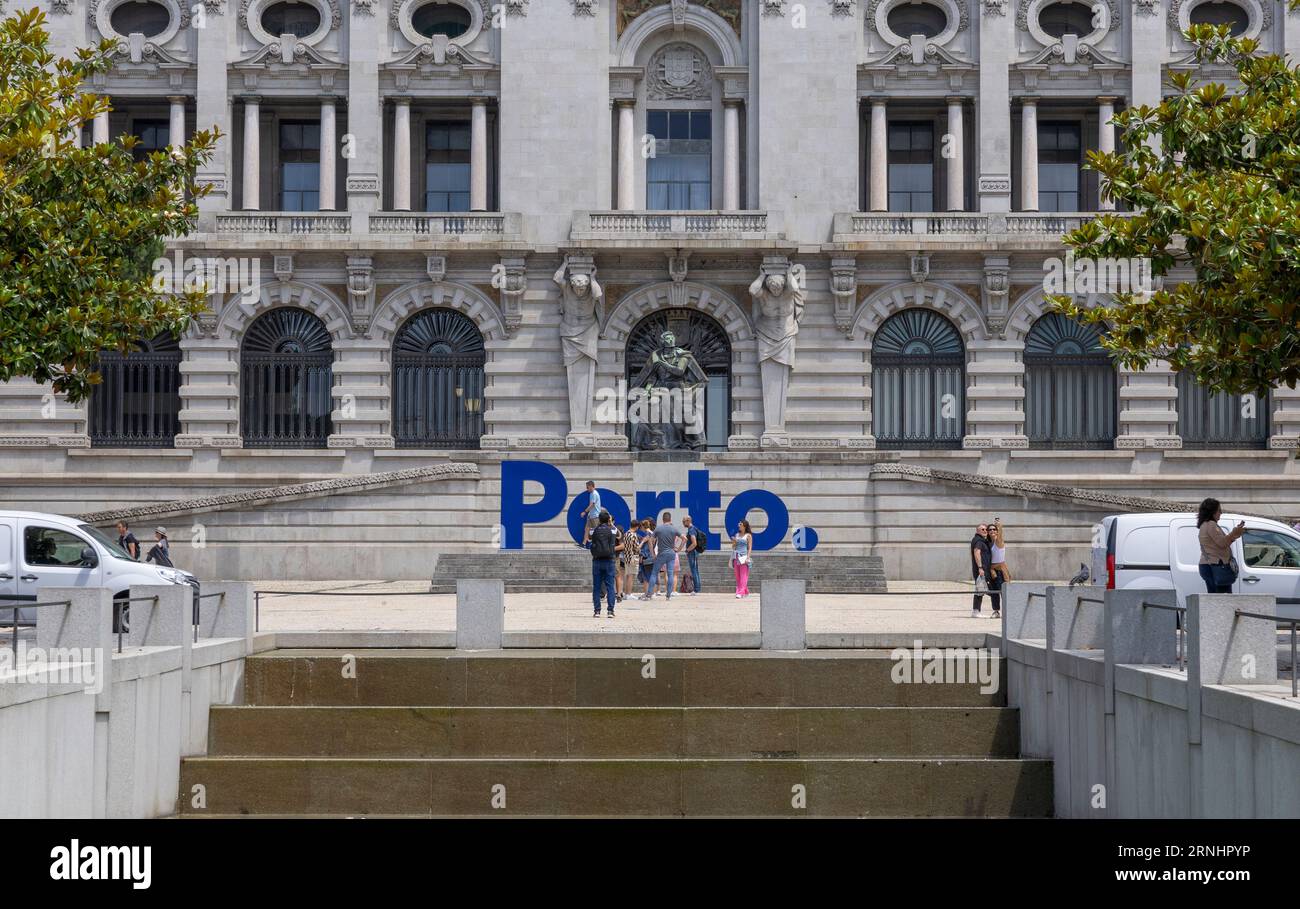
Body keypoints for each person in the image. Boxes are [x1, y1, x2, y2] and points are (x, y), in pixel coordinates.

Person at [1197, 497, 1245, 593]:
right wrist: (1234, 533)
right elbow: (1222, 543)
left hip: (1208, 565)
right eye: (1219, 510)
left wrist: (1234, 534)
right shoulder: (1211, 524)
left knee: (1214, 598)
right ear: (1212, 512)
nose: (1221, 513)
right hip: (1216, 566)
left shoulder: (1204, 525)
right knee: (1223, 599)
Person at [644, 511, 683, 600]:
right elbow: (684, 538)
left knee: (654, 573)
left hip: (661, 554)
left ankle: (649, 594)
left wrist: (652, 553)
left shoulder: (658, 529)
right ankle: (668, 595)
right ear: (670, 519)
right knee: (670, 574)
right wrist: (679, 549)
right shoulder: (674, 529)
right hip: (671, 554)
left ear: (662, 519)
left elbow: (650, 541)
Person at [588, 511, 621, 618]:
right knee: (610, 587)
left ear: (599, 519)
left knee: (596, 587)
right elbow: (619, 535)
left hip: (597, 561)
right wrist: (611, 524)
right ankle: (610, 611)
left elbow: (589, 537)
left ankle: (597, 611)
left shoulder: (594, 530)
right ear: (608, 520)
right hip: (609, 560)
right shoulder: (612, 530)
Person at [970, 522, 1001, 618]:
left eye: (985, 529)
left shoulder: (983, 541)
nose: (985, 531)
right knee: (984, 589)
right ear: (977, 531)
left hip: (985, 569)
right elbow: (977, 553)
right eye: (982, 529)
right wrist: (980, 567)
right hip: (982, 570)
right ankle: (977, 611)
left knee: (980, 589)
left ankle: (977, 610)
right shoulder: (979, 541)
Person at [730, 519, 753, 598]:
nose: (739, 526)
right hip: (736, 556)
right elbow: (733, 547)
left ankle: (740, 592)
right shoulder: (737, 535)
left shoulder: (748, 536)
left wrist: (748, 558)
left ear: (744, 526)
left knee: (743, 575)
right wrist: (734, 542)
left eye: (740, 524)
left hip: (744, 557)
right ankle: (745, 590)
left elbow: (749, 548)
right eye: (739, 524)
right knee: (737, 575)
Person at [681, 515, 702, 596]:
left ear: (688, 521)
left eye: (684, 521)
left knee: (694, 571)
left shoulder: (691, 530)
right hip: (693, 552)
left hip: (692, 552)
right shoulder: (692, 529)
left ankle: (696, 589)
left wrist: (687, 550)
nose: (683, 523)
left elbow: (694, 543)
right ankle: (697, 588)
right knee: (695, 570)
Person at [578, 481, 601, 548]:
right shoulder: (591, 494)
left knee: (597, 531)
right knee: (587, 529)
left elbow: (592, 505)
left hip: (595, 516)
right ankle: (584, 544)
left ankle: (599, 545)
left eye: (587, 487)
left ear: (591, 486)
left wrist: (585, 512)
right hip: (591, 515)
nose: (587, 489)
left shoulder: (594, 494)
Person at [620, 522, 640, 602]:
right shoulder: (633, 535)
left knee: (627, 575)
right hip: (633, 557)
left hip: (626, 556)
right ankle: (629, 594)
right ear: (637, 527)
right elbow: (636, 548)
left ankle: (626, 593)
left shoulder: (626, 534)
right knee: (631, 576)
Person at [990, 518, 1011, 583]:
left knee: (1004, 590)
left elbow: (1000, 535)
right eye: (990, 529)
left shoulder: (999, 541)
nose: (992, 531)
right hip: (994, 571)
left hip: (1000, 571)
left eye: (994, 529)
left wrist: (999, 526)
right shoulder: (991, 542)